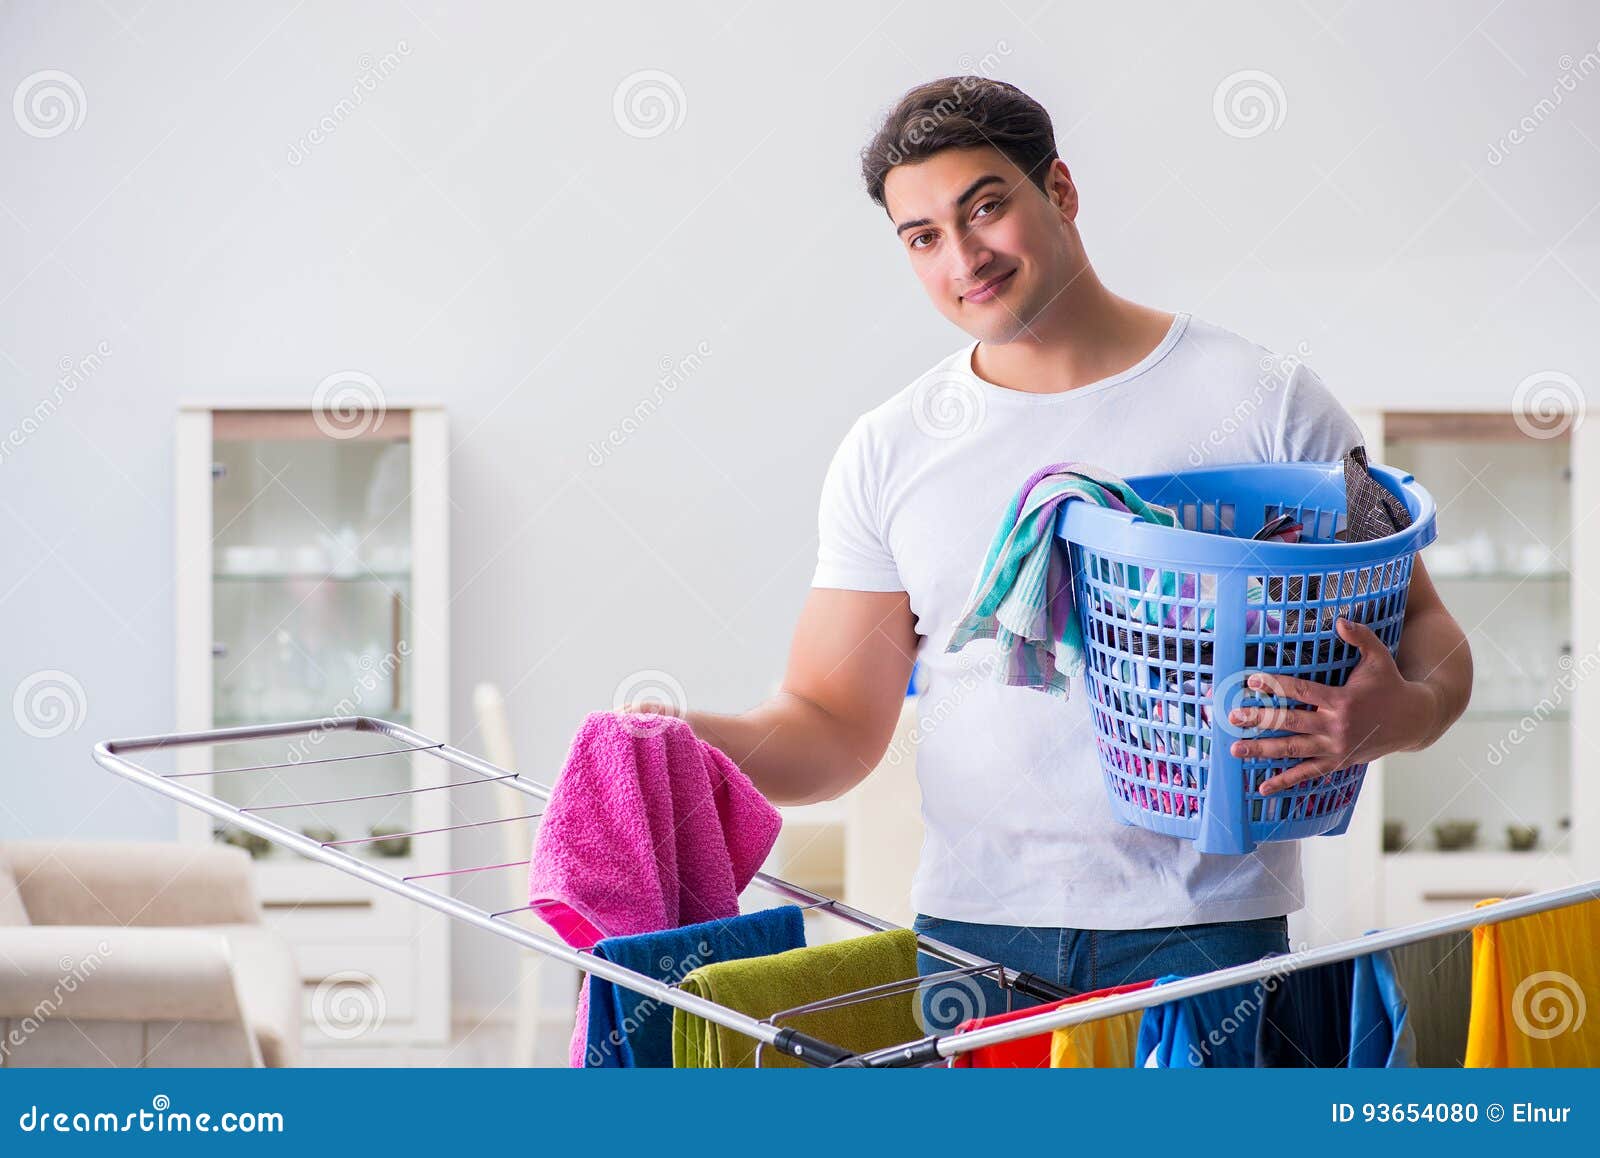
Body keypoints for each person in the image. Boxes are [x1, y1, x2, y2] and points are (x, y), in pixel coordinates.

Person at [630, 76, 1472, 1016]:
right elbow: (832, 724)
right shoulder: (894, 447)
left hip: (1210, 933)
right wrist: (681, 740)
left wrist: (1403, 714)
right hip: (971, 938)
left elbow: (1429, 629)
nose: (963, 257)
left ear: (1060, 192)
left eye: (985, 207)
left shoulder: (1262, 399)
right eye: (923, 238)